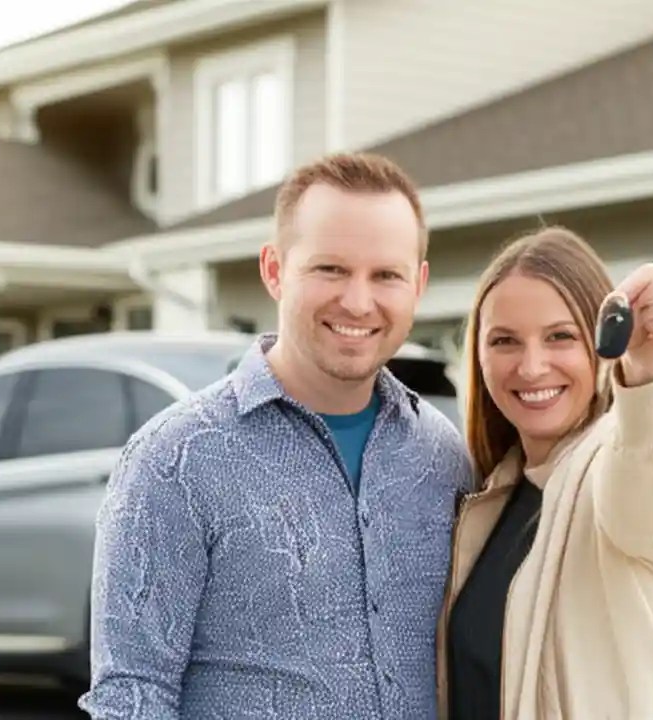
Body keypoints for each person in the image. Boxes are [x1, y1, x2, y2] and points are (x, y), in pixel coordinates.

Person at [80, 153, 473, 719]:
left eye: (386, 274)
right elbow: (131, 697)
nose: (358, 301)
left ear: (419, 284)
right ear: (274, 270)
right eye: (330, 269)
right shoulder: (176, 460)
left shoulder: (442, 456)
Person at [437, 227, 653, 719]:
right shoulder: (496, 497)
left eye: (561, 337)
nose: (531, 367)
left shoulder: (636, 467)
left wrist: (649, 369)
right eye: (505, 341)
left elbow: (642, 486)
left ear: (604, 343)